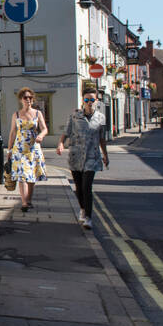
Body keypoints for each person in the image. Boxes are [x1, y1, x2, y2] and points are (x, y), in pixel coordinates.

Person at [57, 90, 108, 229]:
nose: (89, 103)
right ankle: (83, 209)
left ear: (96, 101)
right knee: (79, 188)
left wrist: (105, 155)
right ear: (83, 101)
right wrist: (61, 144)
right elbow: (66, 133)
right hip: (76, 156)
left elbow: (102, 138)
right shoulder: (74, 116)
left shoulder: (101, 118)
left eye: (92, 100)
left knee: (87, 187)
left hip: (92, 156)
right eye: (86, 100)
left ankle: (88, 218)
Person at [6, 88, 48, 212]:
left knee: (31, 176)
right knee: (22, 175)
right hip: (19, 149)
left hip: (33, 149)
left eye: (30, 97)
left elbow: (45, 129)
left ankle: (29, 199)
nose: (28, 100)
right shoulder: (16, 114)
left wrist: (41, 135)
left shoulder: (37, 113)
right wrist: (9, 151)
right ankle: (24, 202)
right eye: (25, 98)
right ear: (21, 100)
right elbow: (12, 133)